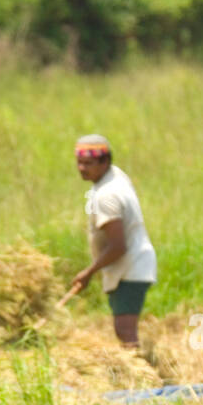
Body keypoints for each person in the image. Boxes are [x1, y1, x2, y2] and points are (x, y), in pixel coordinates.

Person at [70, 135, 157, 348]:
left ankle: (140, 377)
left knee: (125, 329)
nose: (82, 168)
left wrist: (88, 273)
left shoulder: (106, 197)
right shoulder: (116, 178)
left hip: (130, 268)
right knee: (124, 329)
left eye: (88, 163)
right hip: (133, 265)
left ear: (105, 162)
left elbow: (118, 246)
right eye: (79, 163)